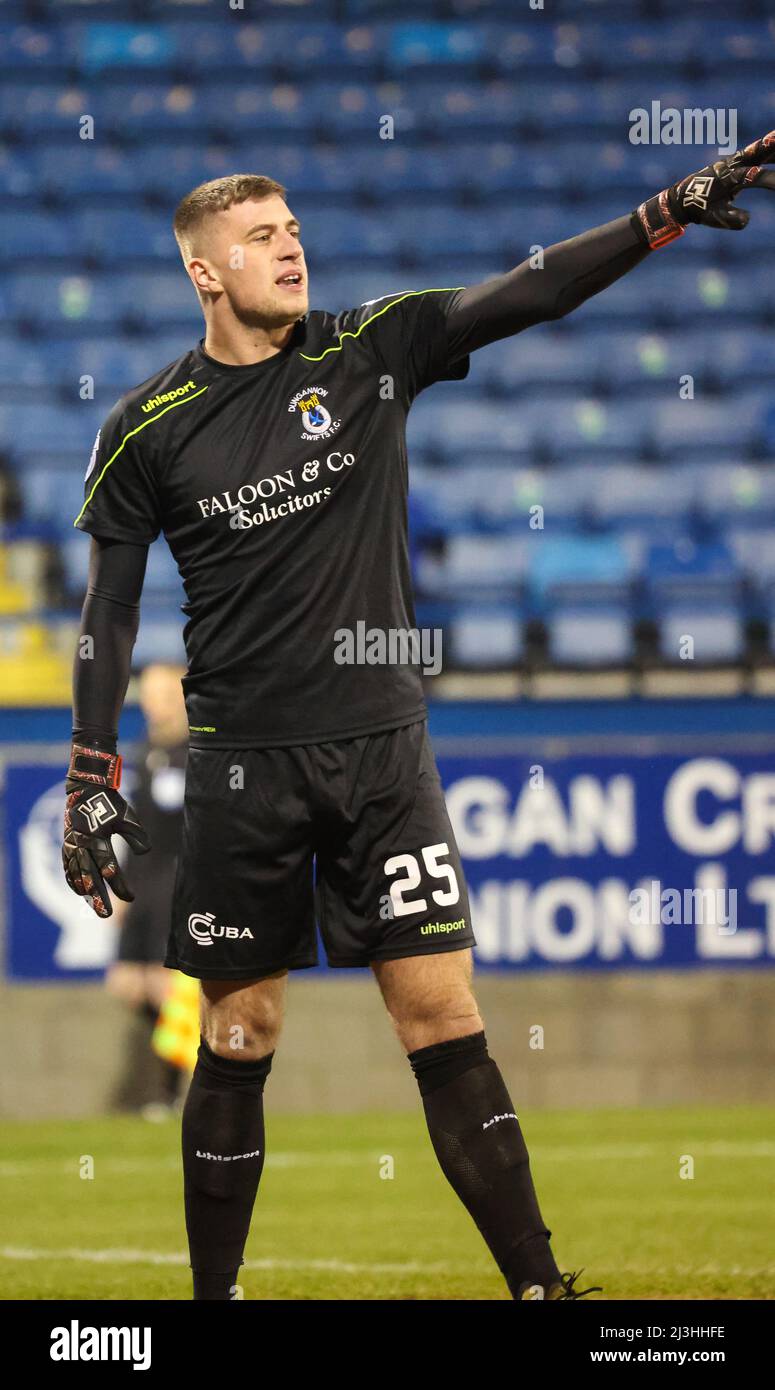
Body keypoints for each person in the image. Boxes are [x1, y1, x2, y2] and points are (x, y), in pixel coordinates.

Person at [62, 133, 775, 1300]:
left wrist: (664, 210)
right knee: (237, 1036)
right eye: (259, 237)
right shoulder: (147, 426)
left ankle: (541, 1289)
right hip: (245, 767)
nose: (290, 249)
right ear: (204, 270)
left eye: (292, 229)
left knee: (443, 1014)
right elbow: (107, 610)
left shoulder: (370, 347)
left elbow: (528, 291)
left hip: (384, 752)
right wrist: (91, 772)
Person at [105, 662, 188, 1116]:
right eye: (149, 691)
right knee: (129, 983)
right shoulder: (143, 750)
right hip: (142, 879)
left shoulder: (199, 751)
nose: (152, 700)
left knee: (166, 984)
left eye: (162, 691)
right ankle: (157, 1085)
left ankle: (168, 1092)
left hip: (176, 880)